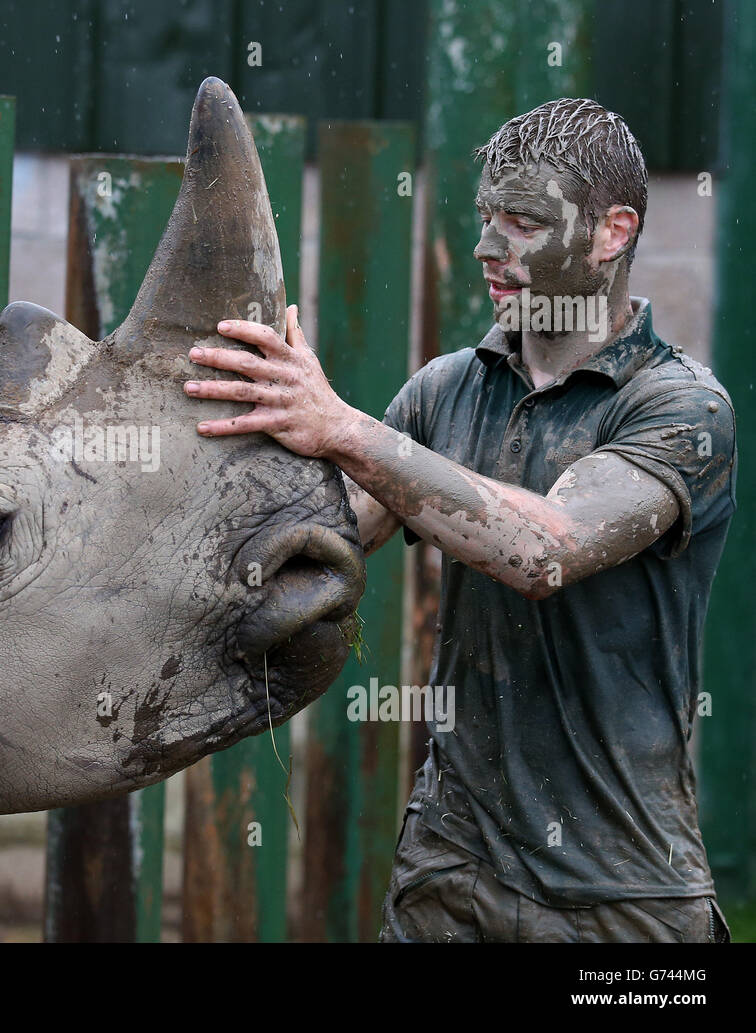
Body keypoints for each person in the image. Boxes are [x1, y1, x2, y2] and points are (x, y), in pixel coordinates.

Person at [184, 98, 735, 942]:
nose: (487, 247)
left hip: (622, 895)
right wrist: (231, 429)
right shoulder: (448, 387)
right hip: (450, 874)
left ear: (611, 232)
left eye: (522, 221)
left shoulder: (681, 404)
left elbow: (544, 550)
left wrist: (347, 428)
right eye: (485, 216)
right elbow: (322, 537)